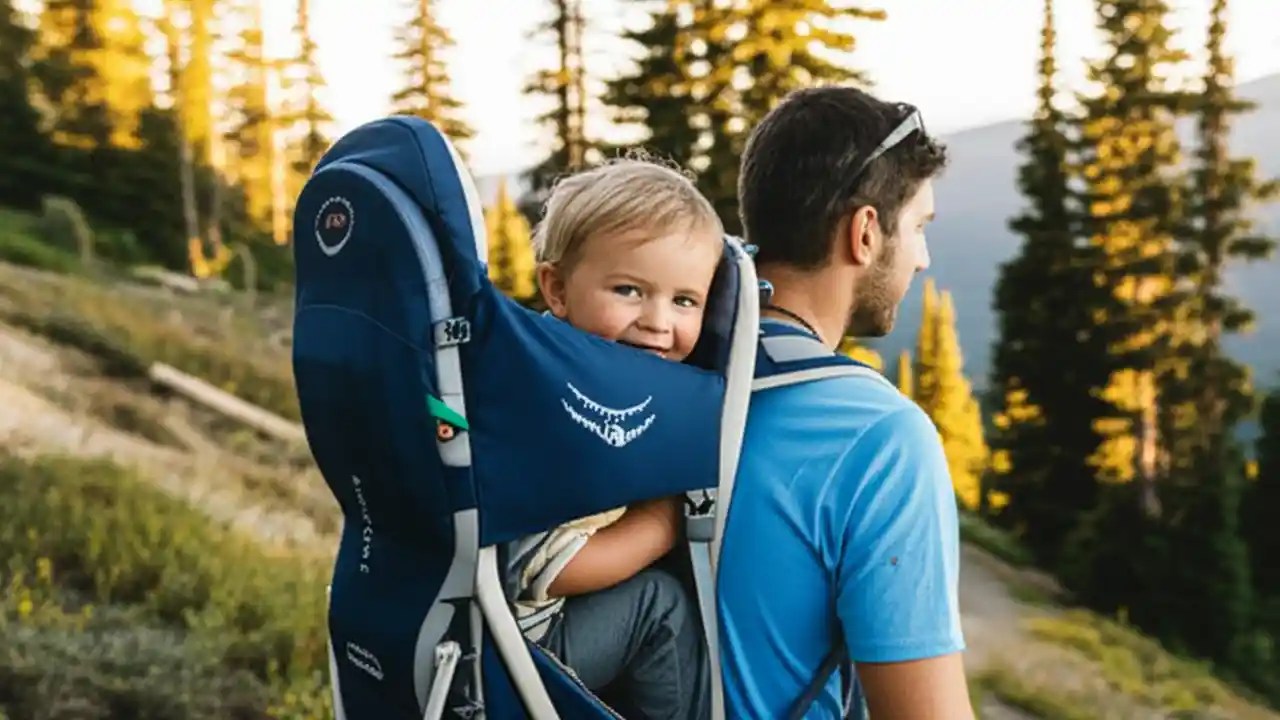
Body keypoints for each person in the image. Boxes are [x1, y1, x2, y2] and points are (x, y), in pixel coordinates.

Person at [717, 86, 975, 719]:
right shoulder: (881, 437)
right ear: (864, 232)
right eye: (917, 228)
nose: (922, 258)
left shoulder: (672, 362)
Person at [502, 154, 721, 720]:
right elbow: (542, 570)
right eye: (629, 290)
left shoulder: (561, 368)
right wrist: (662, 524)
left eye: (684, 301)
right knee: (660, 605)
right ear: (557, 289)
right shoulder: (555, 406)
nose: (657, 321)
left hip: (501, 625)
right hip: (519, 646)